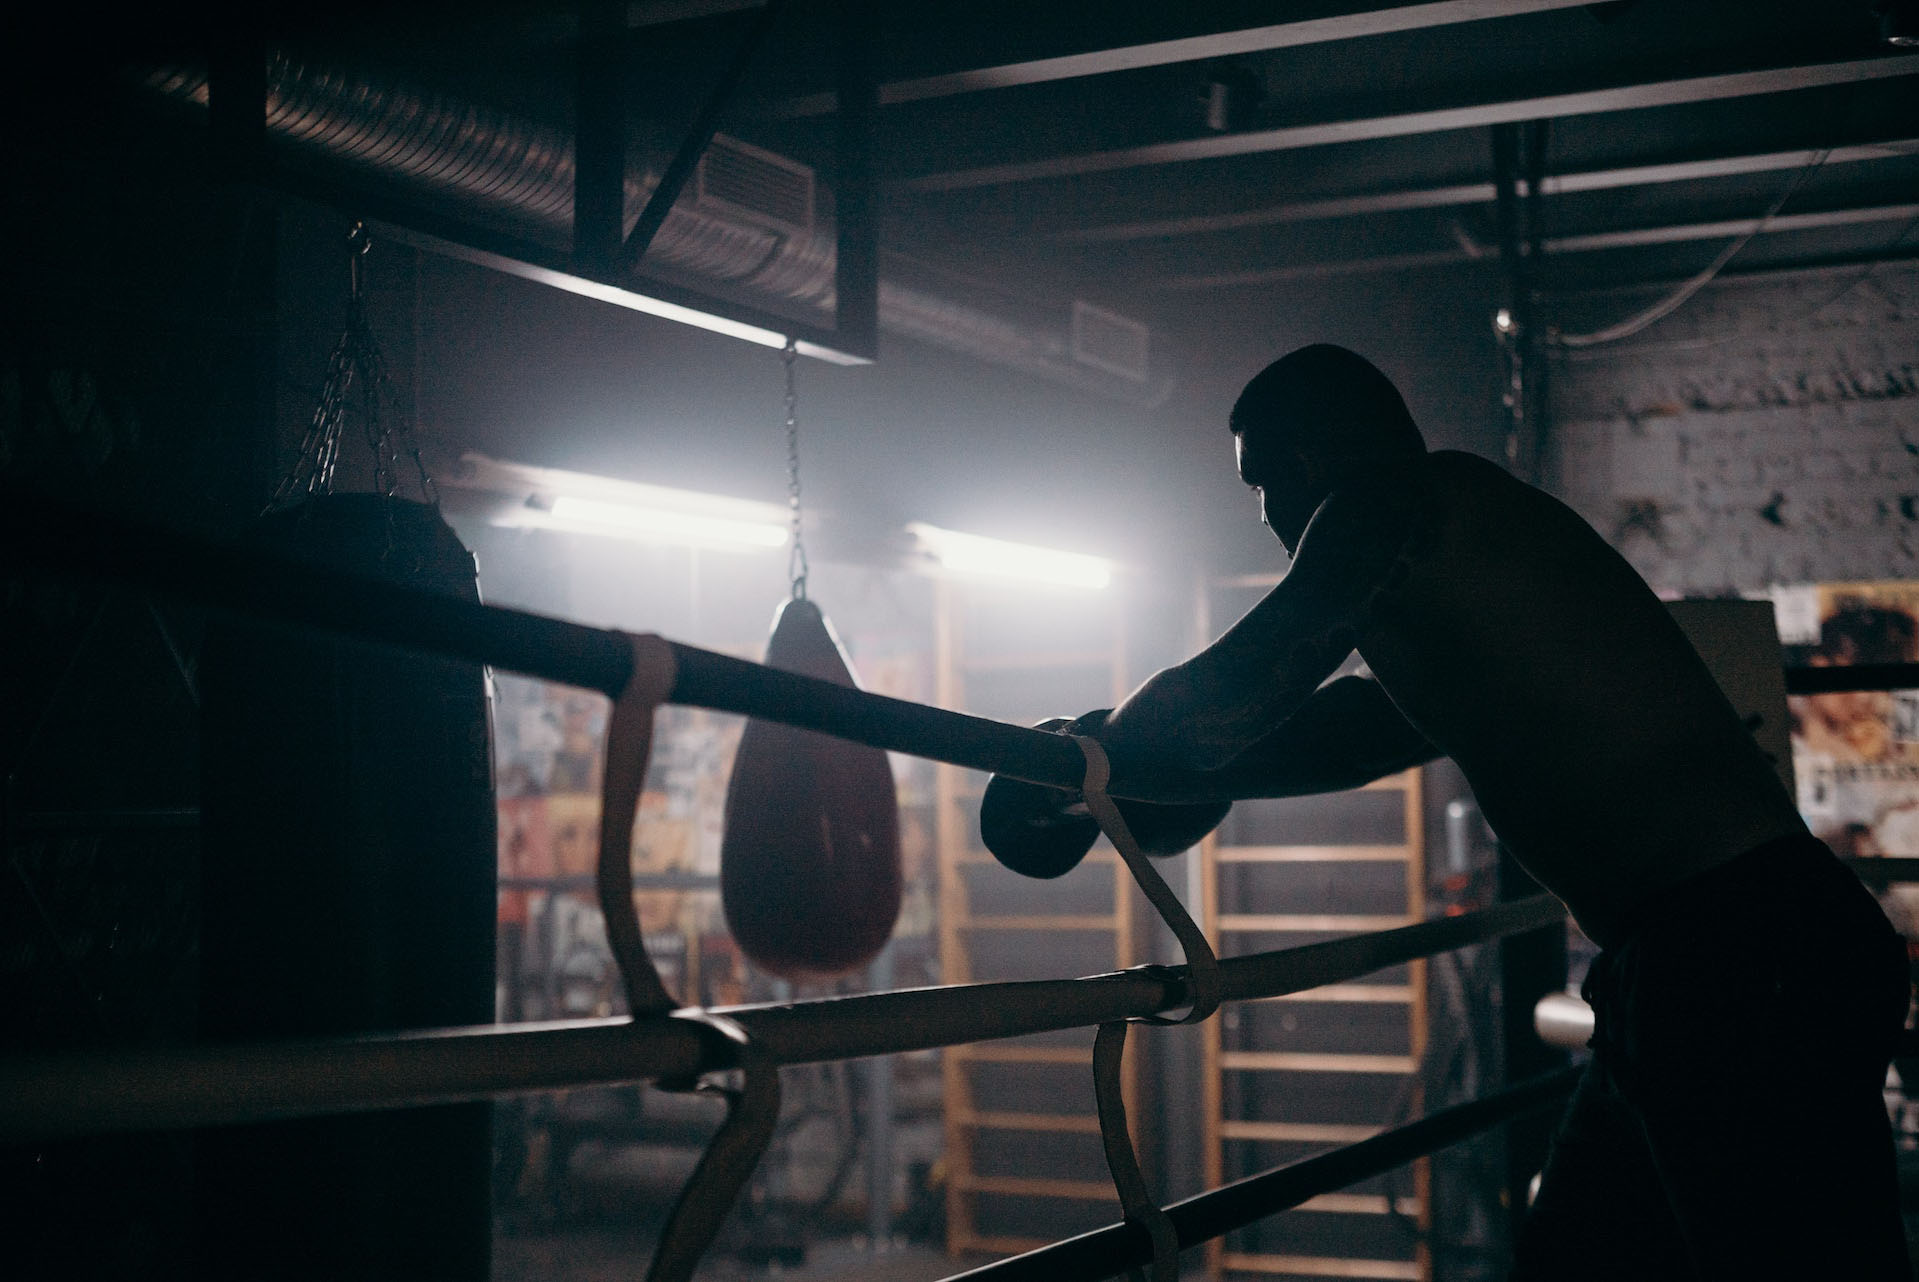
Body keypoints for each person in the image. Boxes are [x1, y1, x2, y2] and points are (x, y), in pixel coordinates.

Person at [1087, 344, 1912, 1280]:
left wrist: (1086, 757)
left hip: (1736, 960)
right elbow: (1345, 736)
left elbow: (1230, 695)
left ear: (1307, 464)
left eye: (1264, 482)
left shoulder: (1389, 506)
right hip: (1707, 960)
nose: (1268, 515)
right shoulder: (1455, 553)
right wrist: (1130, 765)